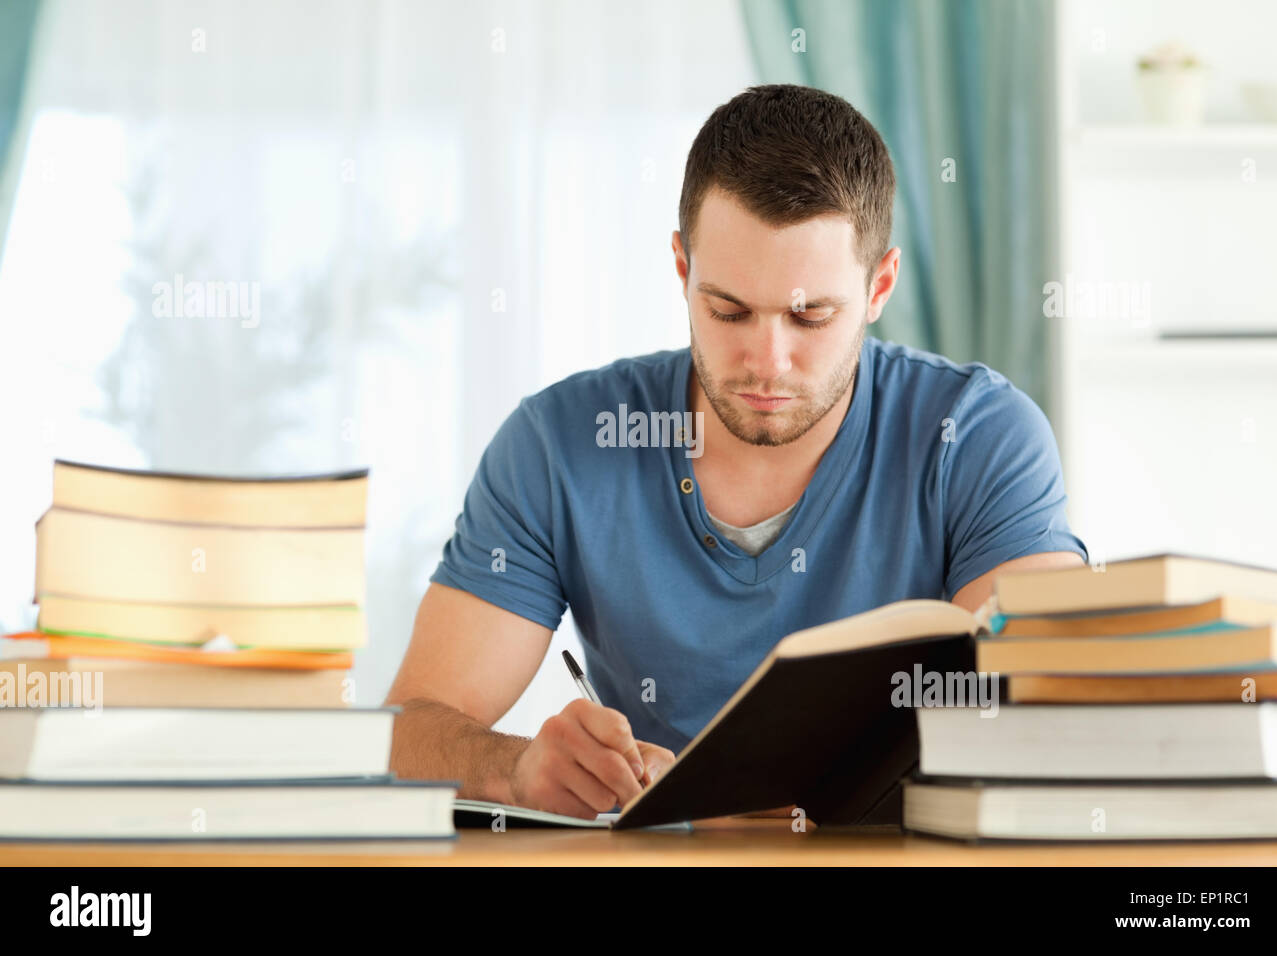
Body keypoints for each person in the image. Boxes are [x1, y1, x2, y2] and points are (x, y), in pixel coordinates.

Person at [385, 84, 1088, 820]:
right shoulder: (558, 445)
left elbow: (1036, 717)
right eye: (729, 310)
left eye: (809, 315)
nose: (767, 361)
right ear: (683, 270)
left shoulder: (978, 436)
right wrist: (516, 767)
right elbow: (405, 736)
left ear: (879, 285)